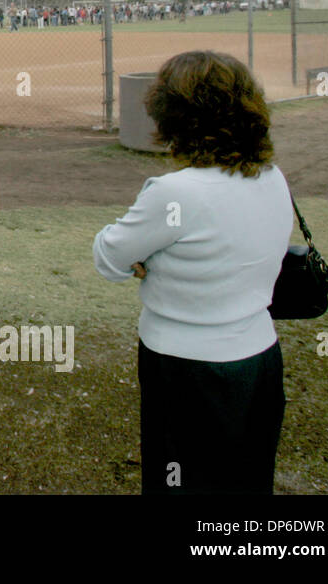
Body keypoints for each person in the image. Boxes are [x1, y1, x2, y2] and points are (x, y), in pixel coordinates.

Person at [93, 51, 292, 495]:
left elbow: (109, 257)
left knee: (178, 481)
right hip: (258, 358)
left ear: (174, 116)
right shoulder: (273, 177)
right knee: (247, 480)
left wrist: (151, 257)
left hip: (185, 368)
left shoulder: (173, 193)